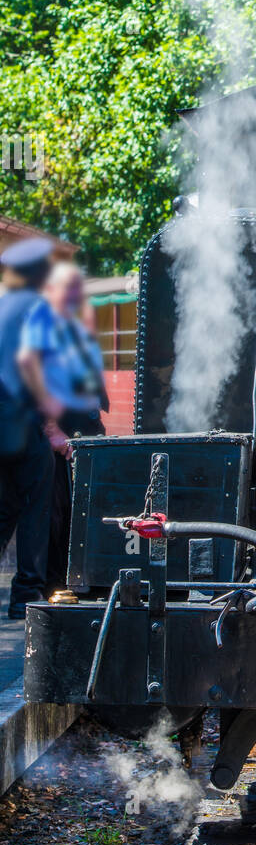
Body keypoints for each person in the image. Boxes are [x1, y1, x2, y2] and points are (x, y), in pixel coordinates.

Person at [17, 261, 109, 592]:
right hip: (55, 437)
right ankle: (50, 585)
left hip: (83, 432)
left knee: (80, 510)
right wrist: (53, 431)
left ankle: (76, 578)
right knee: (51, 514)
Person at [0, 238, 56, 619]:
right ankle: (24, 596)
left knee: (3, 509)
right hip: (26, 425)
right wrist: (52, 426)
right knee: (37, 508)